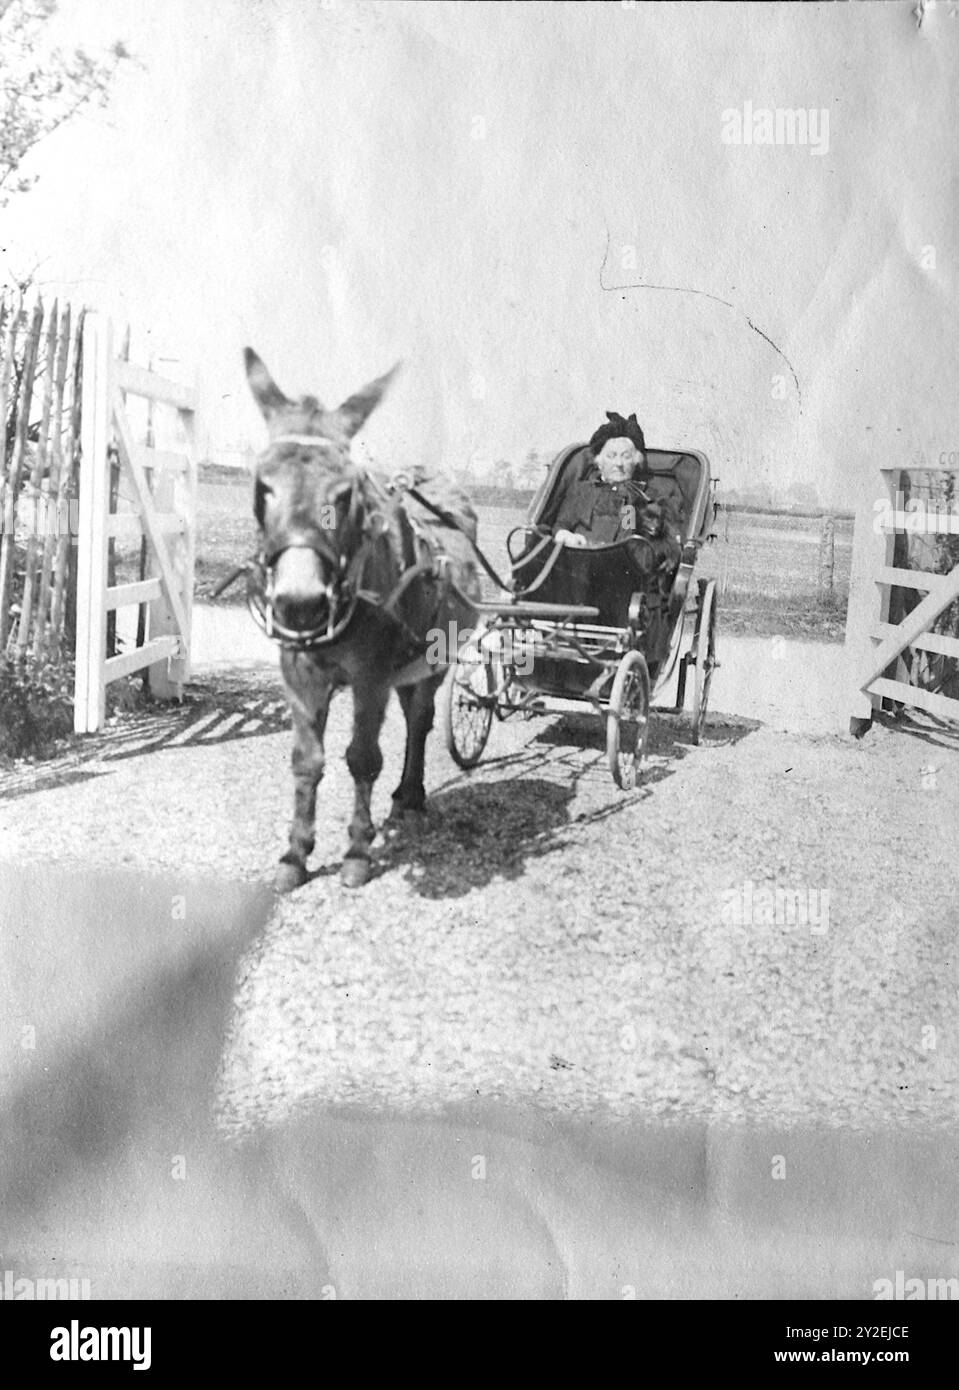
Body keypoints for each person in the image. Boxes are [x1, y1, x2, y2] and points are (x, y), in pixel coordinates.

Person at [550, 413, 684, 569]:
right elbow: (561, 524)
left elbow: (664, 545)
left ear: (636, 461)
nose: (619, 463)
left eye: (626, 456)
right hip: (574, 565)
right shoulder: (581, 491)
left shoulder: (650, 498)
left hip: (626, 573)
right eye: (611, 456)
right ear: (599, 462)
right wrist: (566, 536)